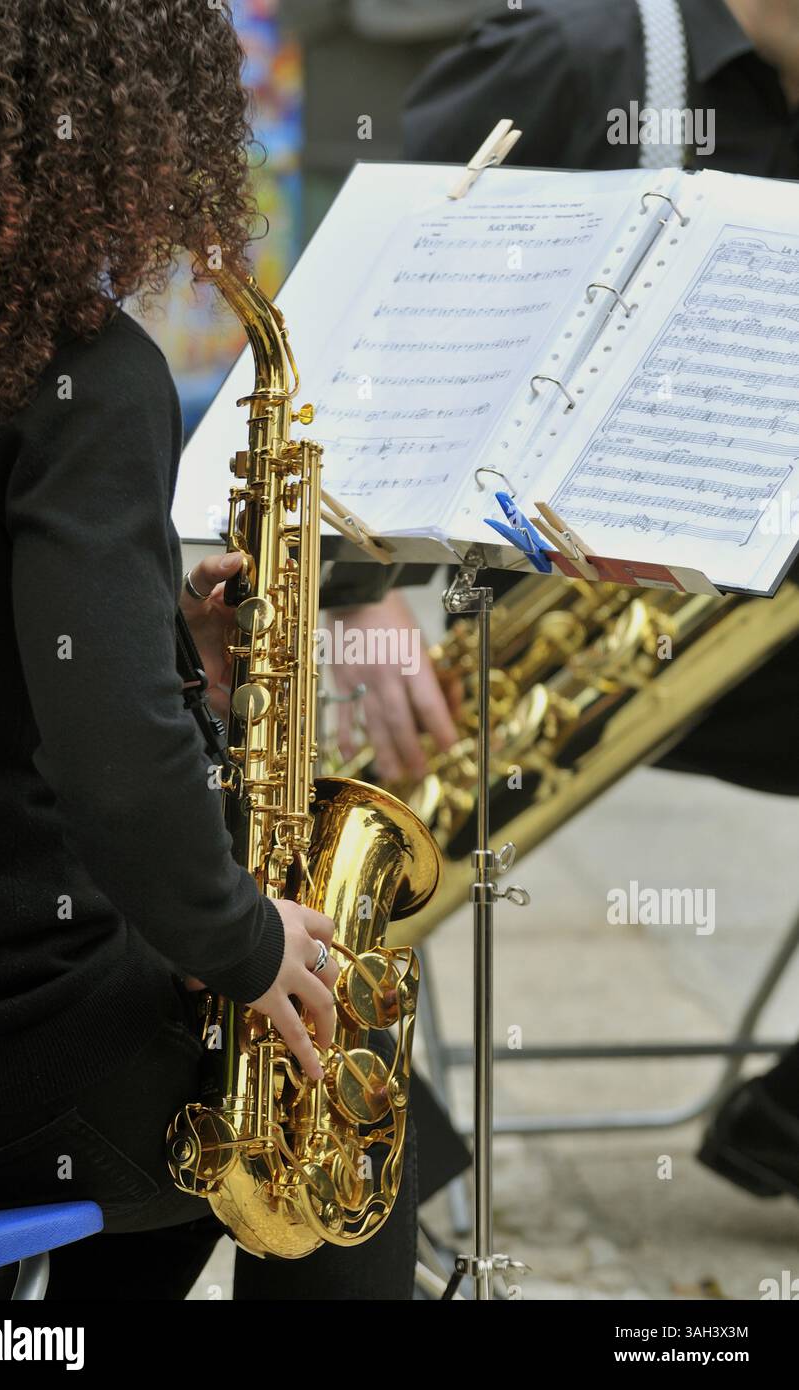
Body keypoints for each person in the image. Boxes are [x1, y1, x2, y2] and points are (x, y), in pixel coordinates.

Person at [0, 0, 466, 1302]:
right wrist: (237, 936)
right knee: (332, 1090)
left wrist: (183, 663)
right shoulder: (71, 369)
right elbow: (109, 762)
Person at [323, 0, 799, 1201]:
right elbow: (367, 298)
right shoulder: (576, 58)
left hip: (754, 621)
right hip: (545, 619)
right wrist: (354, 591)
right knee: (325, 881)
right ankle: (363, 1170)